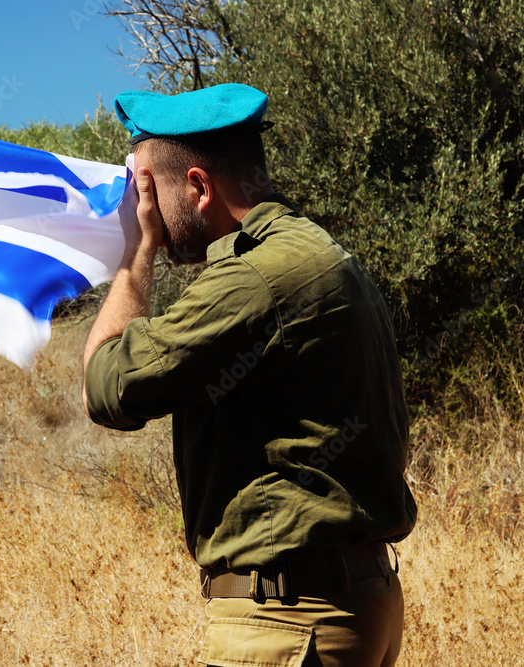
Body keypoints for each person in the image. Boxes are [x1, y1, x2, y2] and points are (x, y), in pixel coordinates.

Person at [82, 83, 418, 666]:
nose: (147, 211)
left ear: (198, 187)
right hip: (351, 603)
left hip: (289, 620)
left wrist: (136, 255)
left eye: (148, 192)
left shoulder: (254, 280)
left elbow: (107, 386)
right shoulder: (318, 250)